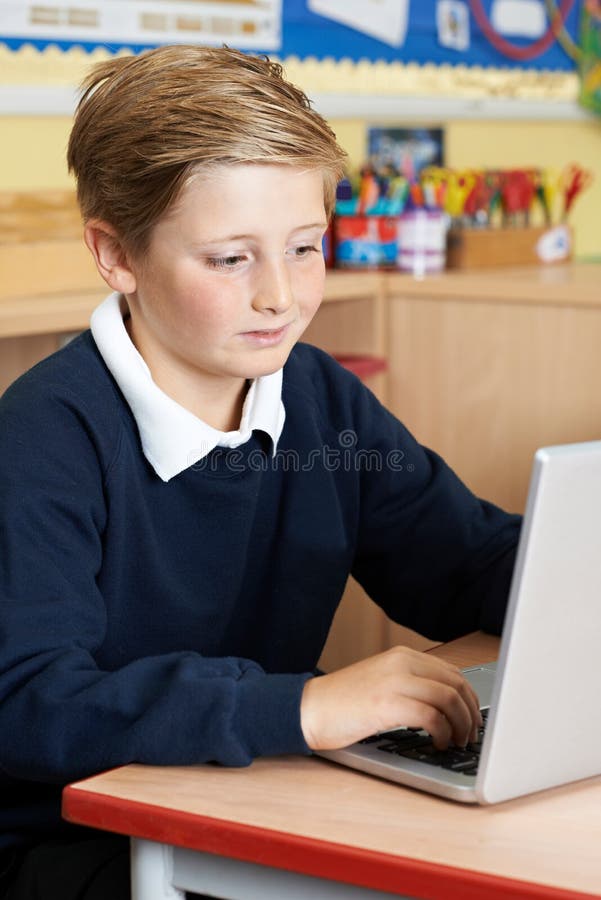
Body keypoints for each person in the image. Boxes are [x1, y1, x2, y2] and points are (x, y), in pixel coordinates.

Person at [0, 45, 521, 899]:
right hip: (71, 842)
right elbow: (26, 701)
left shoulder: (318, 402)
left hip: (245, 796)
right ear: (117, 255)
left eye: (306, 247)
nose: (280, 295)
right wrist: (301, 708)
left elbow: (463, 563)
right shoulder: (44, 437)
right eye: (230, 259)